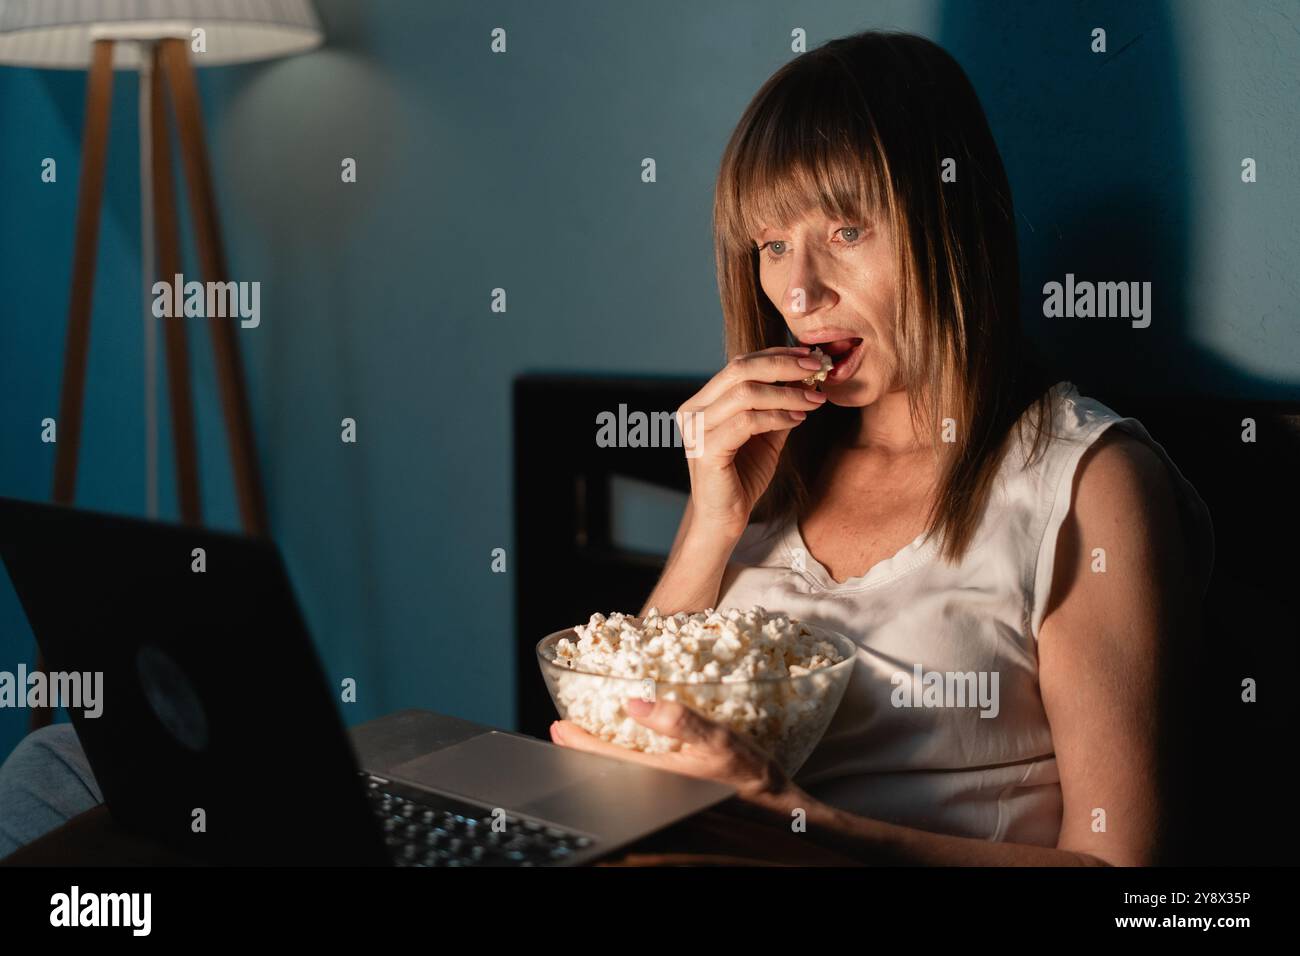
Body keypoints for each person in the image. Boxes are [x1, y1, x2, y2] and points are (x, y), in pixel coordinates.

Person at [549, 30, 1214, 865]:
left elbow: (1129, 878)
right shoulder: (771, 464)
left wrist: (800, 827)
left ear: (950, 218)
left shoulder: (1086, 483)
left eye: (847, 231)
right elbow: (622, 747)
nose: (798, 291)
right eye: (772, 244)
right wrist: (711, 522)